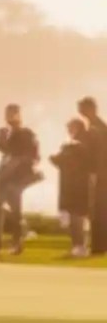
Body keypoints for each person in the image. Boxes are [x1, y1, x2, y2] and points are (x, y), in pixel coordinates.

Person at [0, 103, 41, 254]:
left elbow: (34, 155)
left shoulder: (26, 133)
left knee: (14, 210)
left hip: (18, 177)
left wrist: (19, 162)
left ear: (19, 115)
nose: (9, 117)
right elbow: (4, 150)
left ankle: (17, 242)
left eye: (13, 113)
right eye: (7, 114)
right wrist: (0, 139)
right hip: (4, 175)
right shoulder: (6, 133)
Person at [51, 118, 92, 257]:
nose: (69, 130)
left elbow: (71, 162)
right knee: (72, 217)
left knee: (76, 217)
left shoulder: (80, 146)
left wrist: (60, 158)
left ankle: (80, 246)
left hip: (78, 187)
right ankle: (78, 245)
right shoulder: (70, 146)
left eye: (71, 127)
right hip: (69, 186)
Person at [79, 97, 107, 254]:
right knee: (97, 210)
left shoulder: (98, 128)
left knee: (99, 210)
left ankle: (99, 247)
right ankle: (98, 245)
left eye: (82, 108)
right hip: (99, 173)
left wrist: (95, 172)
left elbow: (100, 154)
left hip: (100, 175)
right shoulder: (94, 126)